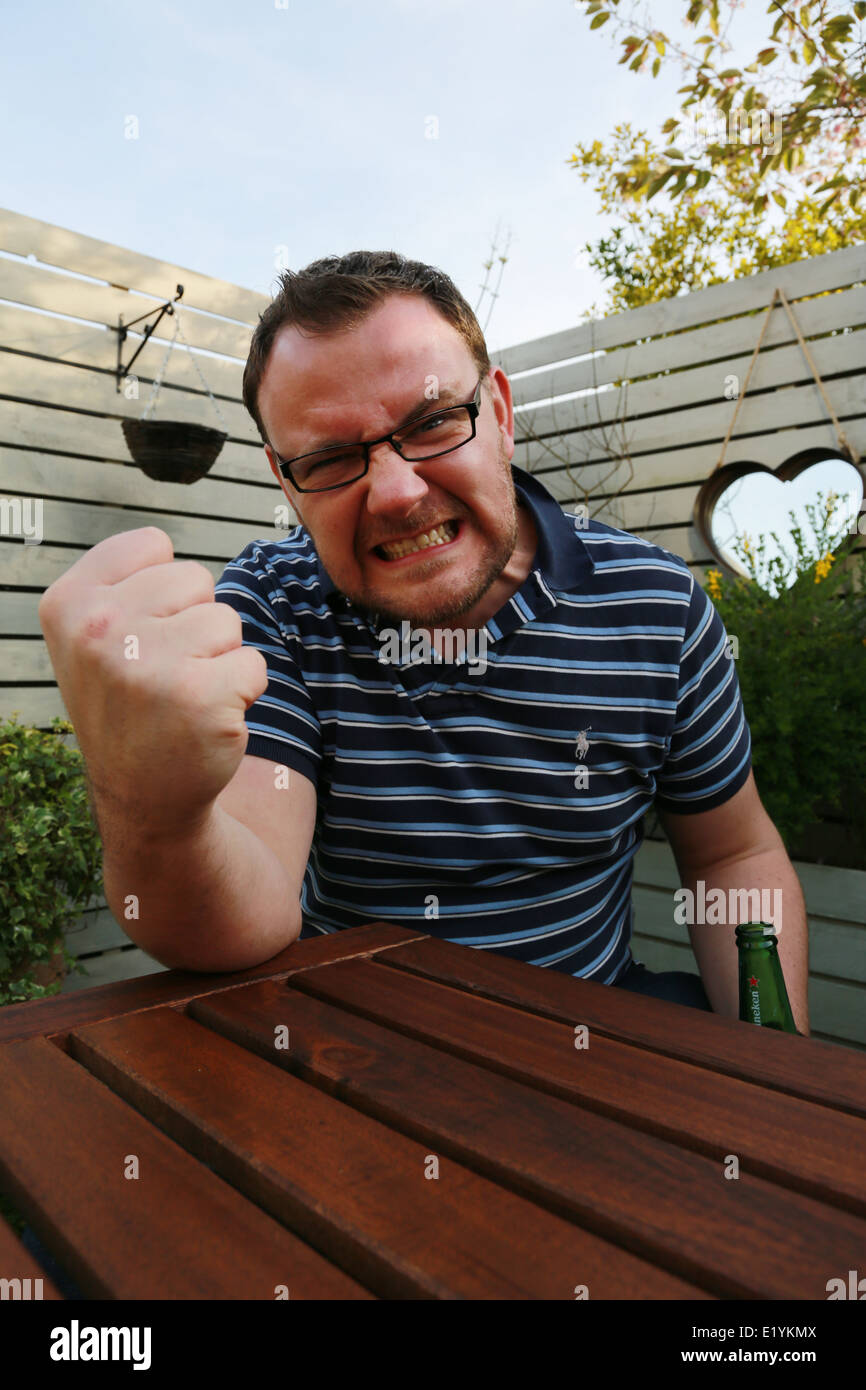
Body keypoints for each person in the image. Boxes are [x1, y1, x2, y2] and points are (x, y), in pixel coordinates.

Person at [38, 251, 809, 1031]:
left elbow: (731, 858)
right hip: (358, 1072)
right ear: (285, 480)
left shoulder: (658, 606)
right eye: (333, 458)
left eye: (434, 421)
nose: (400, 492)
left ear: (500, 415)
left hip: (593, 1055)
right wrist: (152, 811)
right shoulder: (271, 608)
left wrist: (781, 1069)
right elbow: (247, 909)